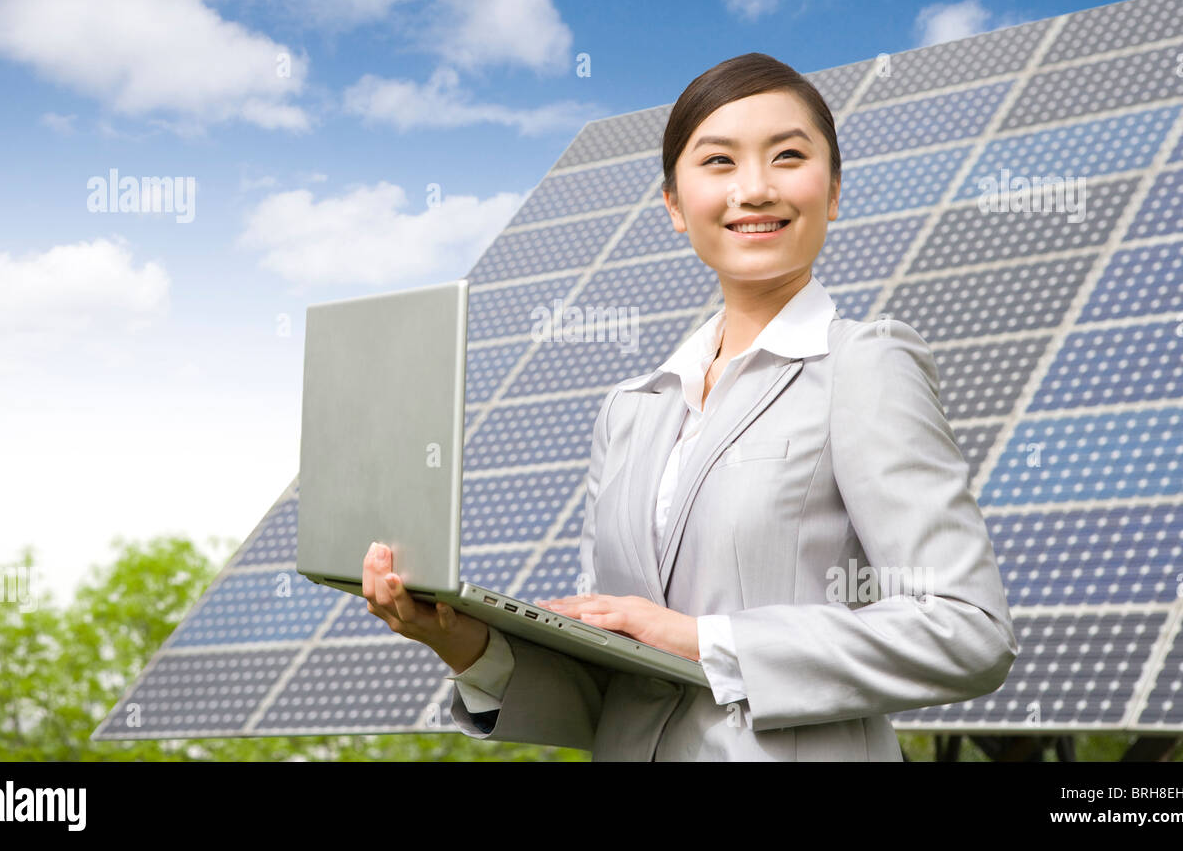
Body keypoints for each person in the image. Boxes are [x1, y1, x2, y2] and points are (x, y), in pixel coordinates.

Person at [362, 52, 1018, 761]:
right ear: (674, 204)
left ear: (832, 192)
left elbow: (967, 630)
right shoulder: (632, 410)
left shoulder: (864, 366)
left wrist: (703, 639)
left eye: (789, 156)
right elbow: (623, 684)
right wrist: (461, 639)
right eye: (719, 162)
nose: (756, 188)